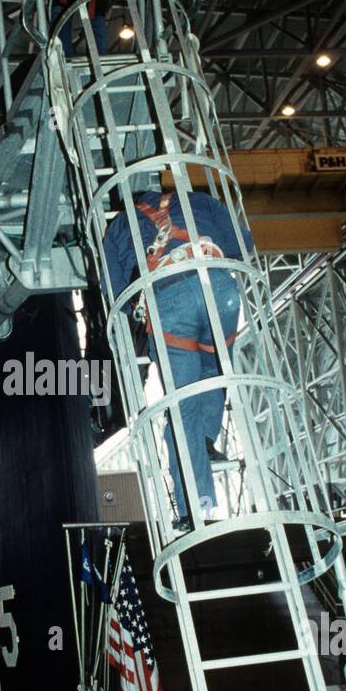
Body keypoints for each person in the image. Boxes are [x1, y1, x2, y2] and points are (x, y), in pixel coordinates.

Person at [103, 187, 254, 527]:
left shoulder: (116, 228)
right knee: (215, 372)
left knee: (182, 406)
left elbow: (116, 294)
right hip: (219, 290)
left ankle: (196, 509)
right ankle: (206, 437)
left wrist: (141, 303)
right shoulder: (197, 199)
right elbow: (241, 245)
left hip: (169, 301)